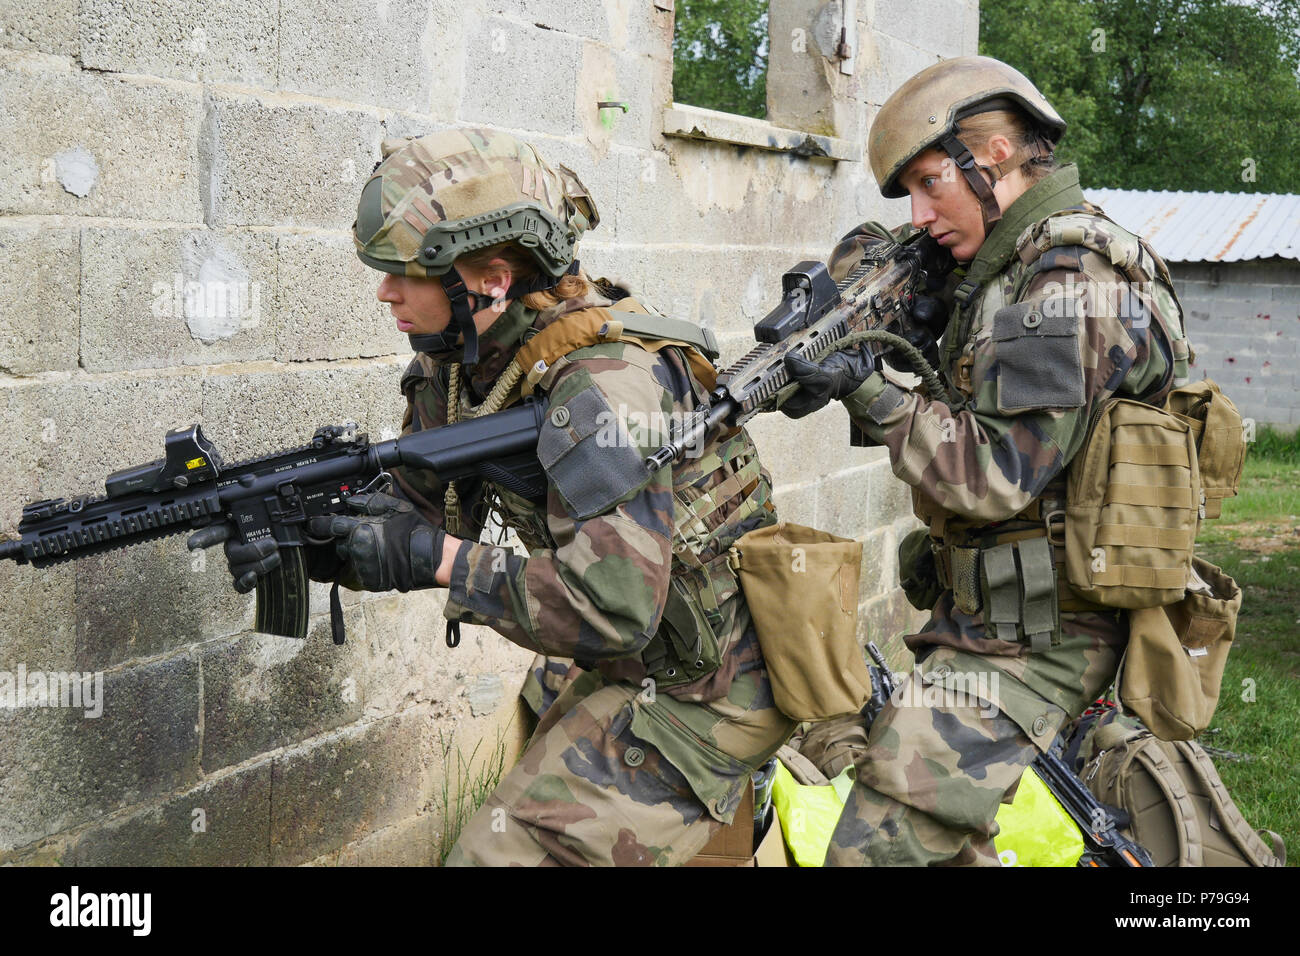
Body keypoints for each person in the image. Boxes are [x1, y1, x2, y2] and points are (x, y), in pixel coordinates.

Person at [197, 127, 795, 865]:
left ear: (491, 278)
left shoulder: (602, 389)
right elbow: (404, 515)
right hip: (639, 662)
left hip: (711, 686)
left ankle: (738, 789)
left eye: (404, 273)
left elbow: (609, 610)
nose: (384, 291)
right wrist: (314, 537)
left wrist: (435, 558)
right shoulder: (461, 367)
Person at [782, 56, 1192, 866]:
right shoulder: (999, 271)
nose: (921, 213)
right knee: (946, 840)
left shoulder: (1069, 283)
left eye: (932, 183)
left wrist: (868, 386)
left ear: (995, 155)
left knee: (878, 846)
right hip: (990, 617)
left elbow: (992, 475)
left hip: (1054, 632)